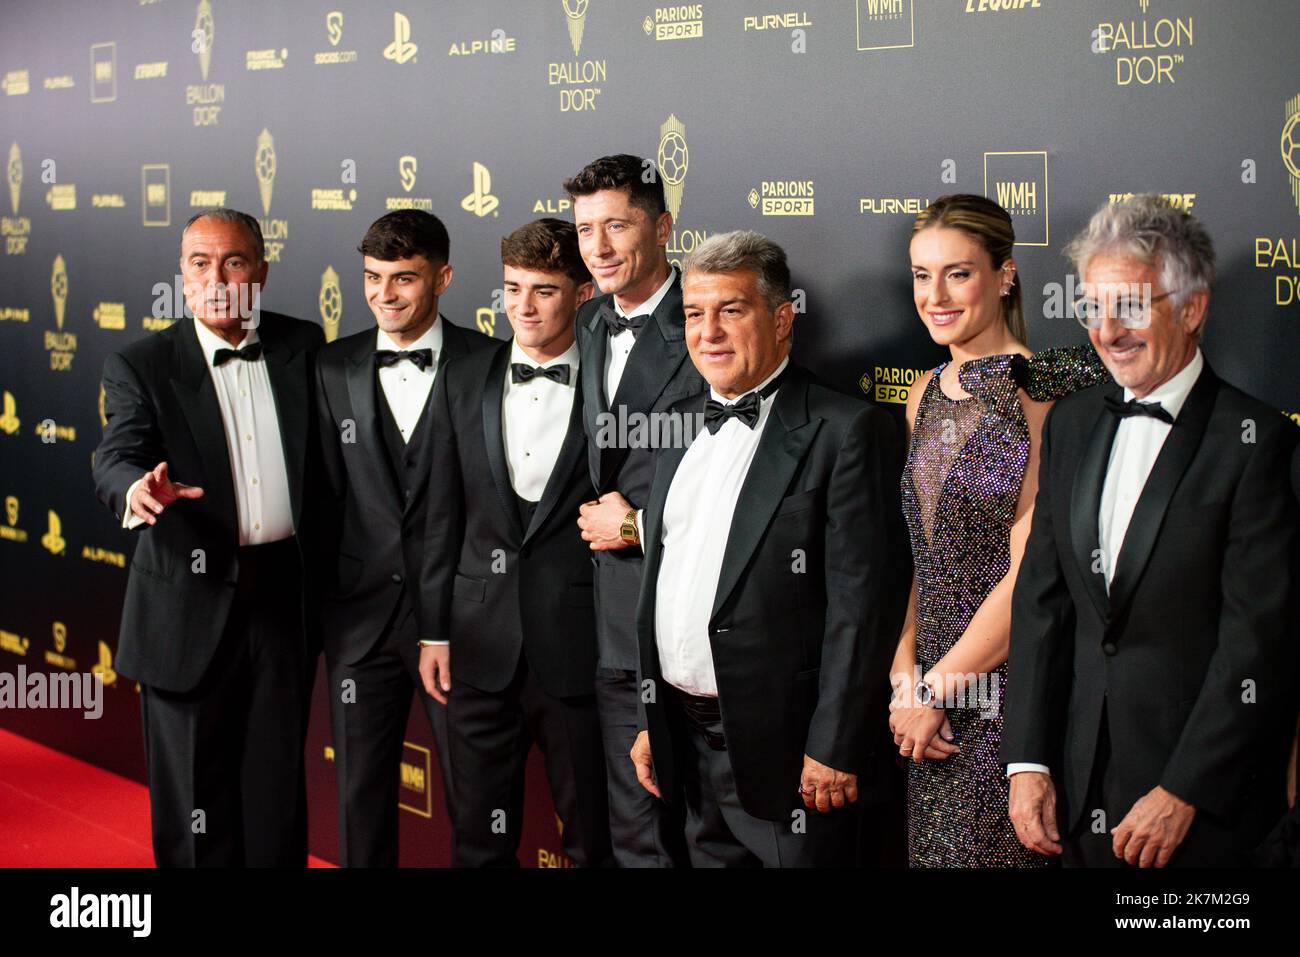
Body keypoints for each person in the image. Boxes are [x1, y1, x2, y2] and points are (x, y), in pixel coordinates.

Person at [1002, 194, 1300, 867]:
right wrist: (1027, 758)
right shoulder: (1073, 423)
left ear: (1192, 308)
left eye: (1130, 307)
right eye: (1093, 309)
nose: (1106, 332)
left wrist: (1183, 788)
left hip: (1199, 814)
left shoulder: (1255, 442)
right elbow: (1041, 603)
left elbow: (1258, 643)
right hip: (1076, 800)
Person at [630, 230, 908, 867]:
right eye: (695, 315)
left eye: (731, 310)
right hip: (682, 737)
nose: (710, 332)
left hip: (791, 755)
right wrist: (653, 719)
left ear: (782, 320)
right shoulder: (676, 423)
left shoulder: (844, 430)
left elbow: (862, 605)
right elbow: (663, 581)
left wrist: (834, 744)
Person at [92, 208, 322, 866]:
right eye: (200, 263)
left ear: (262, 272)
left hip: (282, 603)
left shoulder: (302, 345)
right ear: (182, 277)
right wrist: (136, 489)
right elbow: (116, 454)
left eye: (235, 262)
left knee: (276, 798)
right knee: (195, 810)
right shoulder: (143, 363)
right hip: (186, 607)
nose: (217, 278)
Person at [890, 194, 1109, 867]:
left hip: (1007, 706)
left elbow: (1033, 575)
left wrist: (936, 688)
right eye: (922, 275)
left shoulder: (1044, 390)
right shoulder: (922, 392)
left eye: (958, 272)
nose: (935, 295)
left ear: (1005, 274)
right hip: (926, 720)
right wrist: (902, 668)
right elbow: (926, 556)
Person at [416, 218, 612, 867]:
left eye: (544, 290)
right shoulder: (462, 375)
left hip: (579, 651)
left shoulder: (618, 388)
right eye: (512, 288)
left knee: (593, 842)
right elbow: (440, 516)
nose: (523, 307)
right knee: (478, 841)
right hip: (477, 648)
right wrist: (435, 631)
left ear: (583, 293)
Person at [313, 210, 494, 866]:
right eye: (372, 277)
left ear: (443, 277)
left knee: (474, 800)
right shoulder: (331, 367)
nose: (385, 294)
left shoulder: (490, 362)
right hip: (360, 622)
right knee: (359, 799)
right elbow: (325, 497)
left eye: (404, 279)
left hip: (462, 622)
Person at [567, 154, 704, 865]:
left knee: (705, 837)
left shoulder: (711, 321)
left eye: (617, 224)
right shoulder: (588, 322)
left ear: (663, 226)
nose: (599, 245)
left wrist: (640, 525)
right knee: (635, 838)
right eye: (587, 228)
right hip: (617, 631)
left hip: (700, 630)